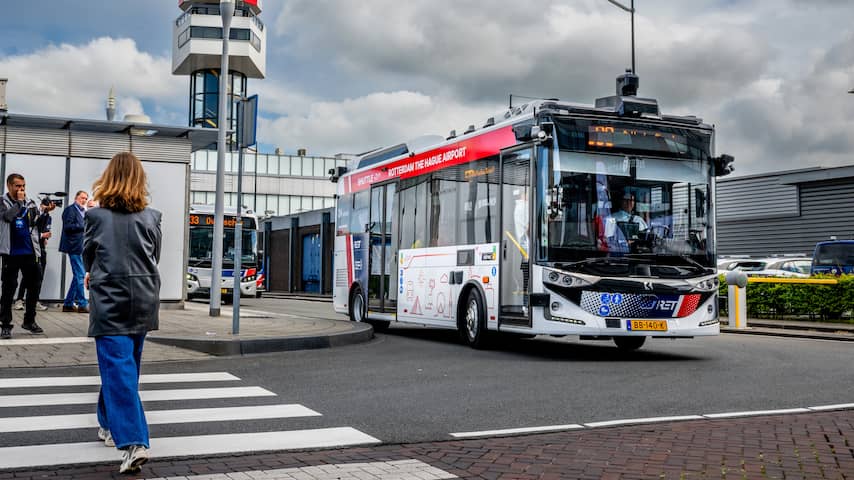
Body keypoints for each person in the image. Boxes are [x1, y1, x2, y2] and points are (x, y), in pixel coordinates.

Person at [83, 151, 161, 474]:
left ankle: (134, 442)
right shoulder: (153, 216)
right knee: (124, 369)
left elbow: (88, 257)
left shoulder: (95, 217)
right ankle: (106, 422)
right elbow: (154, 254)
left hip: (111, 300)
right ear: (139, 180)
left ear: (109, 178)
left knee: (118, 370)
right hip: (144, 299)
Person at [0, 174, 46, 339]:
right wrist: (19, 203)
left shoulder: (30, 203)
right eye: (18, 186)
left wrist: (45, 213)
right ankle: (5, 324)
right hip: (11, 253)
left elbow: (35, 224)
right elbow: (7, 217)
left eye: (23, 186)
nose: (21, 190)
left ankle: (29, 321)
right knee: (8, 288)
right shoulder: (2, 202)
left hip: (30, 252)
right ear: (9, 186)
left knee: (34, 286)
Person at [13, 197, 55, 312]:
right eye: (44, 206)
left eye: (47, 206)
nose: (45, 208)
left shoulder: (48, 217)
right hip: (30, 249)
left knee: (39, 276)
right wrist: (42, 235)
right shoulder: (32, 214)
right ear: (40, 205)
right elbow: (32, 231)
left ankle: (35, 300)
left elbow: (47, 232)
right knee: (27, 276)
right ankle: (19, 300)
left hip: (41, 249)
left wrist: (44, 235)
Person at [60, 190, 89, 313]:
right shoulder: (70, 210)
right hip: (73, 247)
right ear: (76, 197)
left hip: (80, 246)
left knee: (78, 275)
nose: (84, 200)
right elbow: (67, 227)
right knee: (80, 275)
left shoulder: (83, 212)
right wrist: (84, 226)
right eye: (82, 198)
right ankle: (82, 304)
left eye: (86, 198)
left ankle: (68, 303)